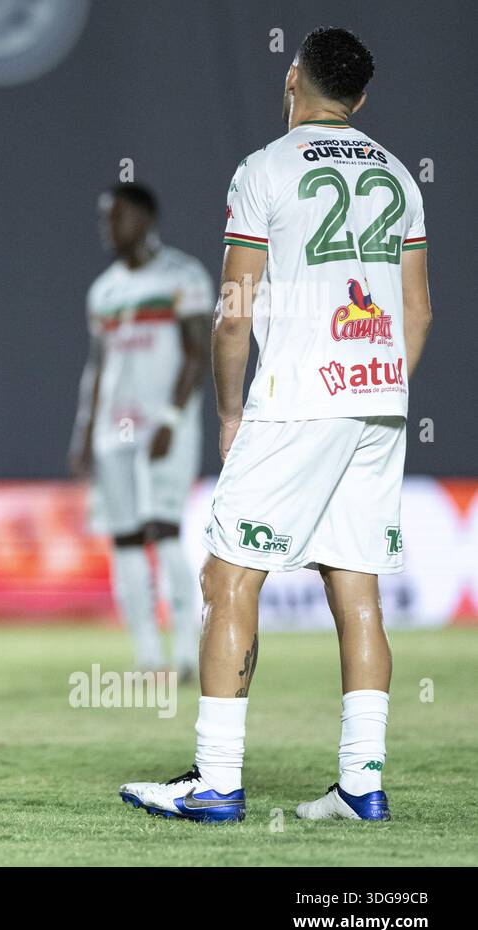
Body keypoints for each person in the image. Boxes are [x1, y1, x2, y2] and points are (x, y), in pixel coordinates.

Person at [119, 27, 430, 822]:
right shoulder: (399, 175)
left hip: (296, 400)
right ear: (360, 99)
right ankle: (362, 785)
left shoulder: (265, 168)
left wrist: (229, 412)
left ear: (293, 79)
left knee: (228, 578)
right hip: (379, 399)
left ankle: (216, 780)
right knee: (355, 589)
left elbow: (234, 312)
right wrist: (379, 384)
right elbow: (418, 311)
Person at [70, 184, 213, 678]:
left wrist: (172, 418)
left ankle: (188, 655)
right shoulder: (103, 290)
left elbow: (199, 353)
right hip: (114, 431)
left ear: (147, 218)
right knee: (126, 538)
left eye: (119, 217)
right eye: (104, 218)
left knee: (164, 531)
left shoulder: (182, 275)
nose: (109, 228)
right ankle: (149, 658)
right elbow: (97, 367)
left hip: (162, 428)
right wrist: (84, 431)